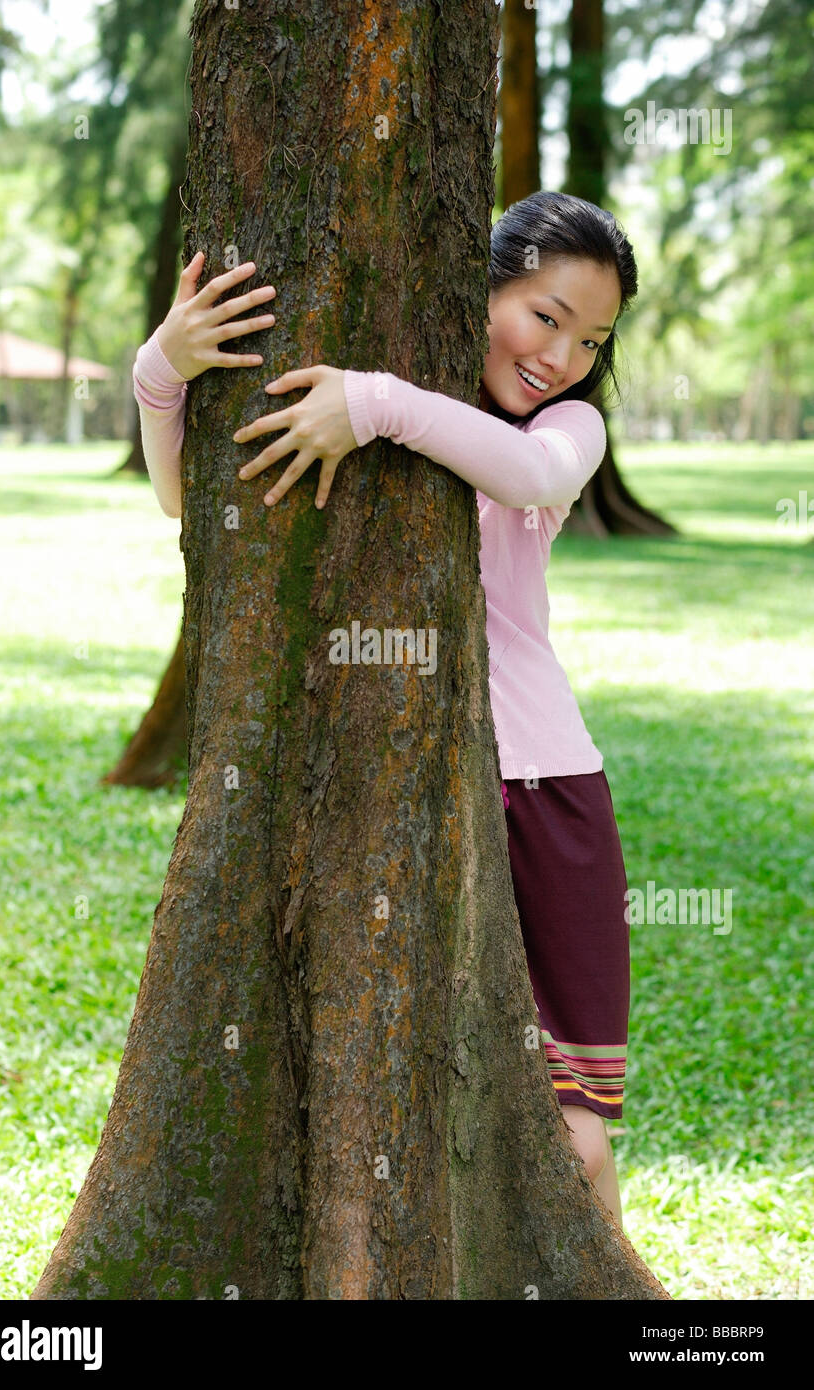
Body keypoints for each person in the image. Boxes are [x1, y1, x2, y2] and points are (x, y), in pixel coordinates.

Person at [132, 189, 638, 1230]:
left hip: (544, 796)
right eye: (543, 314)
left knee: (573, 1132)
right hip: (377, 783)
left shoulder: (564, 427)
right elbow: (194, 505)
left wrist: (373, 403)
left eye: (589, 337)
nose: (560, 353)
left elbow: (531, 470)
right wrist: (161, 371)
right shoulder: (423, 380)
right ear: (482, 282)